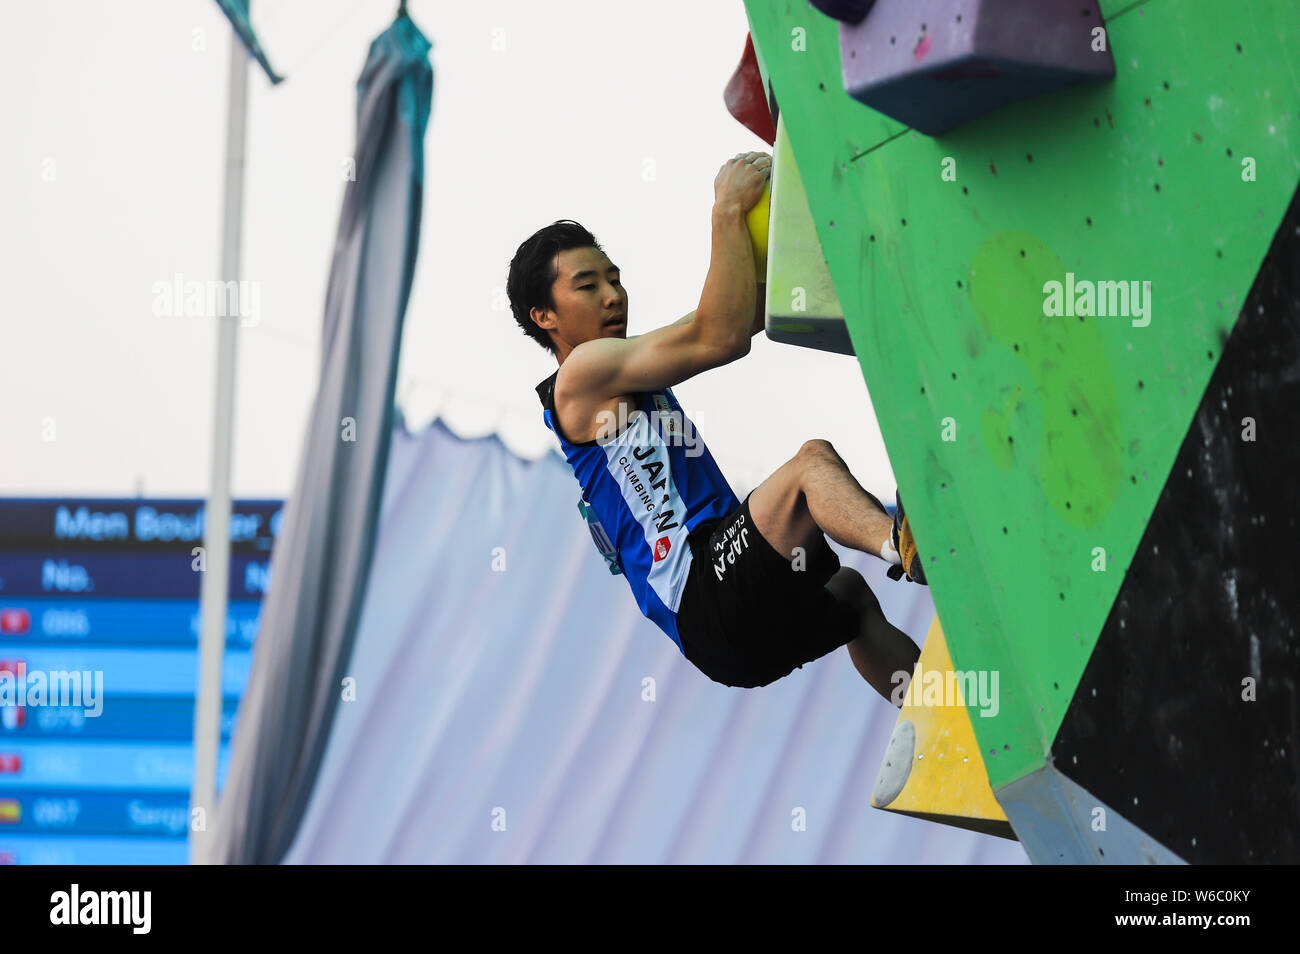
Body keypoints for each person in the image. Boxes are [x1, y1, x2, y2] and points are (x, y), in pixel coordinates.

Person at [507, 151, 925, 702]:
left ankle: (937, 731)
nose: (612, 295)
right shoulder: (582, 375)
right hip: (705, 596)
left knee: (848, 596)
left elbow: (741, 317)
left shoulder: (624, 367)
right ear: (545, 317)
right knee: (809, 466)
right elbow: (719, 335)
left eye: (614, 278)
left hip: (727, 638)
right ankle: (903, 548)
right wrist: (728, 210)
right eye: (587, 286)